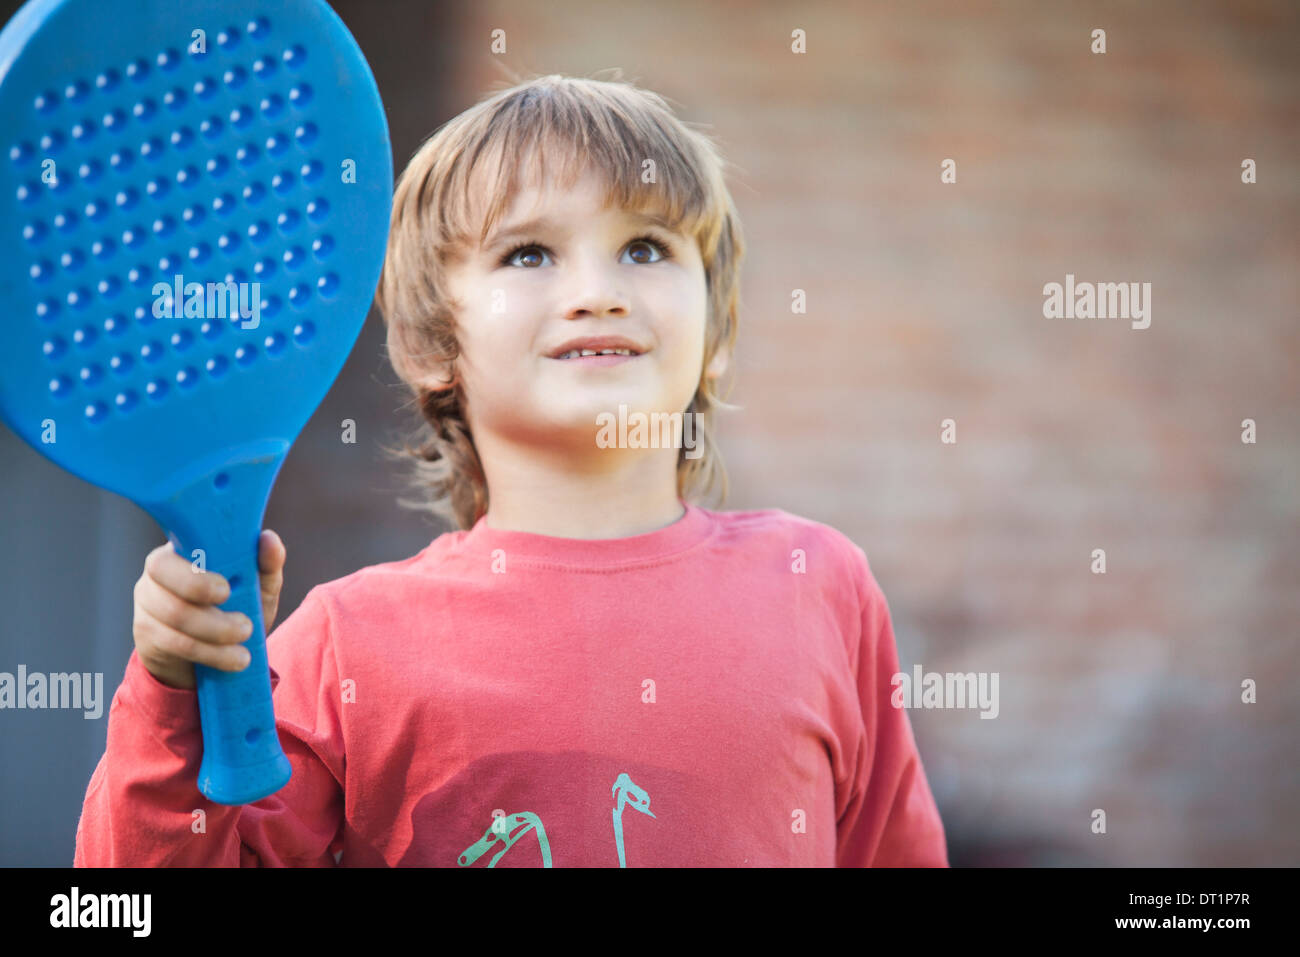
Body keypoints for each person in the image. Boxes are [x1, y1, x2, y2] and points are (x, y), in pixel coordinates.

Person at [74, 74, 948, 867]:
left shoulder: (819, 587)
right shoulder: (344, 642)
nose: (599, 290)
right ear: (431, 345)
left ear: (715, 333)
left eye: (645, 247)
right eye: (528, 254)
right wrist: (175, 698)